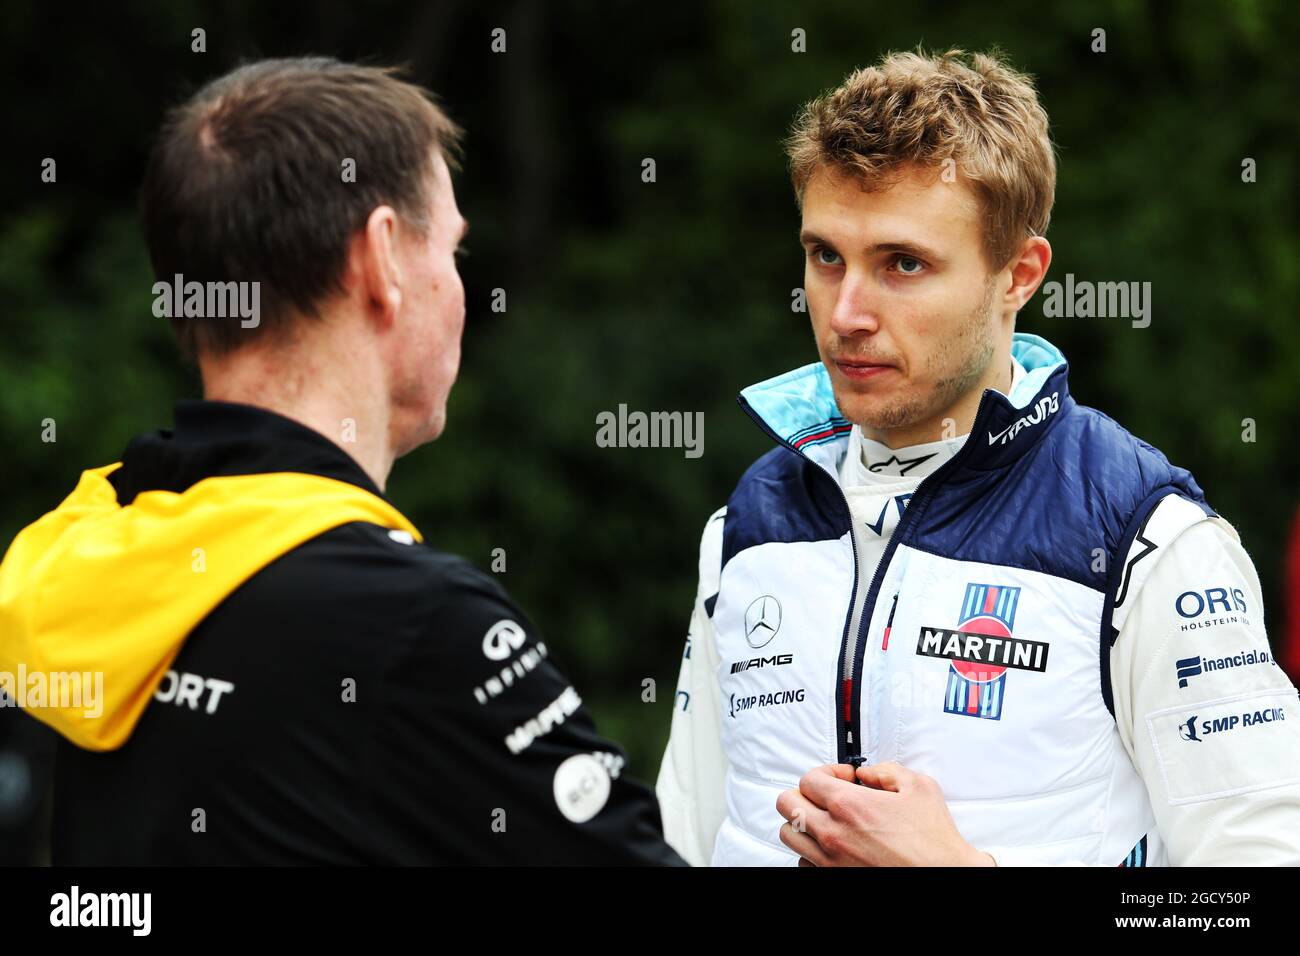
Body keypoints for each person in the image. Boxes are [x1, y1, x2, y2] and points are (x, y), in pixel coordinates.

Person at [0, 57, 681, 865]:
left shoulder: (76, 563)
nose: (460, 290)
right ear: (382, 259)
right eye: (454, 251)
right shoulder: (418, 624)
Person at [656, 49, 1300, 866]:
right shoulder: (748, 525)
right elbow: (679, 841)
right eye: (826, 256)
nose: (846, 313)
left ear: (1017, 275)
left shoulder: (1149, 538)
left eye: (903, 264)